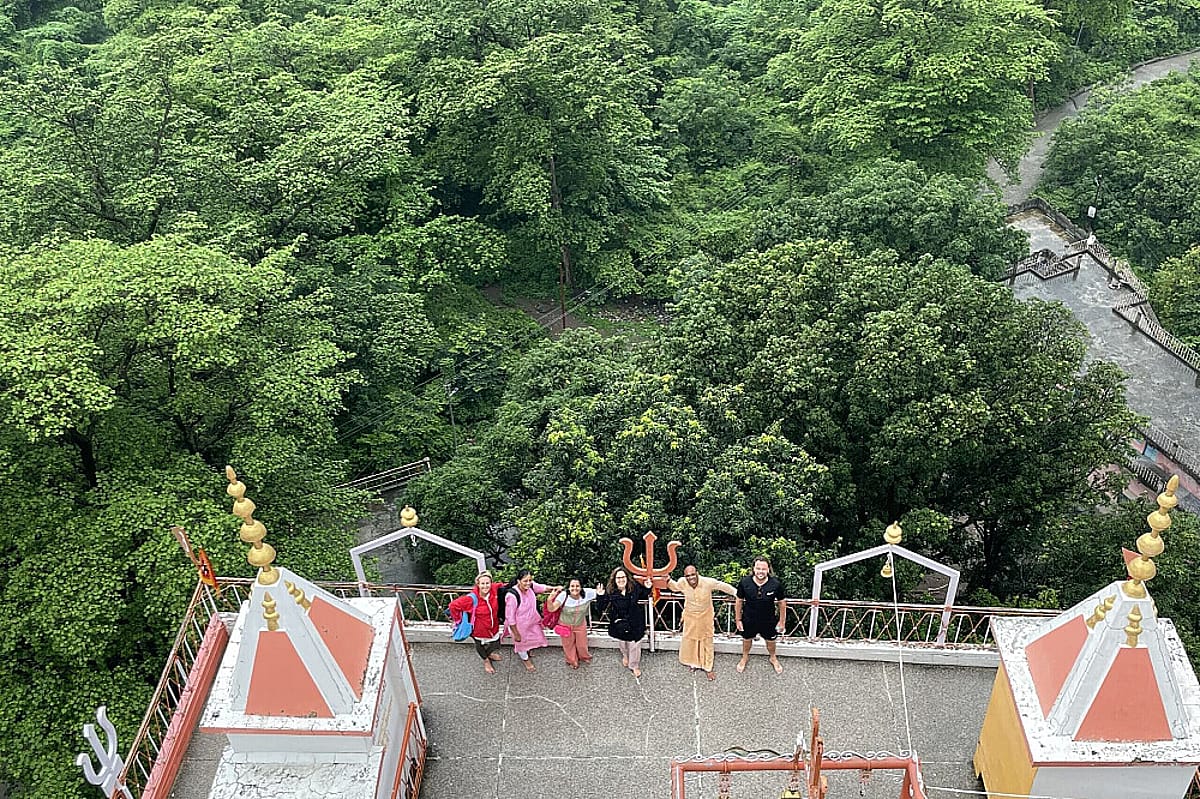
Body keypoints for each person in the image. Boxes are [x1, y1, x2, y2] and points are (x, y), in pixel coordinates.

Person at [667, 565, 736, 681]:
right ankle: (694, 663)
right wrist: (666, 579)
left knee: (707, 641)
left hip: (705, 617)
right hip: (690, 617)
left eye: (693, 574)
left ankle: (708, 667)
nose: (691, 578)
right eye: (688, 576)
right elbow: (674, 587)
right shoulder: (683, 582)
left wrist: (736, 593)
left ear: (697, 573)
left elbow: (722, 586)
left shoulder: (707, 582)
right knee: (691, 640)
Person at [595, 568, 652, 678]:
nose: (621, 580)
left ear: (627, 578)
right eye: (618, 578)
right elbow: (600, 607)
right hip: (619, 622)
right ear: (614, 580)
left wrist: (648, 587)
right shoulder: (611, 591)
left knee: (635, 644)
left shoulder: (634, 587)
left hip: (635, 621)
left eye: (623, 577)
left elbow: (644, 594)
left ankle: (634, 665)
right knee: (623, 643)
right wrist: (600, 596)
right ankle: (625, 655)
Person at [734, 557, 787, 674]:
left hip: (768, 620)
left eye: (763, 569)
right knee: (747, 640)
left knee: (771, 642)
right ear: (753, 569)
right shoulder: (745, 582)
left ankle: (773, 657)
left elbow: (782, 602)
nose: (760, 571)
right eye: (758, 568)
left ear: (768, 569)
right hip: (748, 619)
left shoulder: (775, 584)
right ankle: (744, 657)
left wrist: (782, 621)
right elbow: (738, 600)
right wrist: (738, 620)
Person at [448, 571, 504, 675]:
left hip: (493, 627)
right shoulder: (471, 598)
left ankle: (489, 654)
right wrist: (458, 620)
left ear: (491, 583)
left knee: (496, 644)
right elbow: (453, 606)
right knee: (480, 645)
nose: (485, 586)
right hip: (478, 629)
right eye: (482, 583)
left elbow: (504, 585)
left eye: (488, 583)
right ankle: (486, 660)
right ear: (477, 584)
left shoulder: (494, 590)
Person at [505, 568, 557, 672]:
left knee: (535, 637)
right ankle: (526, 660)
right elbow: (510, 618)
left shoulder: (531, 586)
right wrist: (516, 634)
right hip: (519, 627)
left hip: (532, 622)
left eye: (530, 580)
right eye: (525, 581)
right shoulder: (512, 596)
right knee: (521, 644)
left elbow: (542, 588)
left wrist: (554, 588)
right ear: (518, 581)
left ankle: (528, 650)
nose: (528, 583)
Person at [545, 578, 598, 669]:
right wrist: (550, 599)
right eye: (572, 586)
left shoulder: (587, 593)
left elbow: (602, 593)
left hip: (580, 624)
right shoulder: (563, 595)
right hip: (565, 625)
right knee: (568, 645)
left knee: (582, 644)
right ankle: (572, 661)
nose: (575, 588)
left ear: (581, 587)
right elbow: (552, 609)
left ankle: (584, 656)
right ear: (568, 588)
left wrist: (601, 593)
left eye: (577, 586)